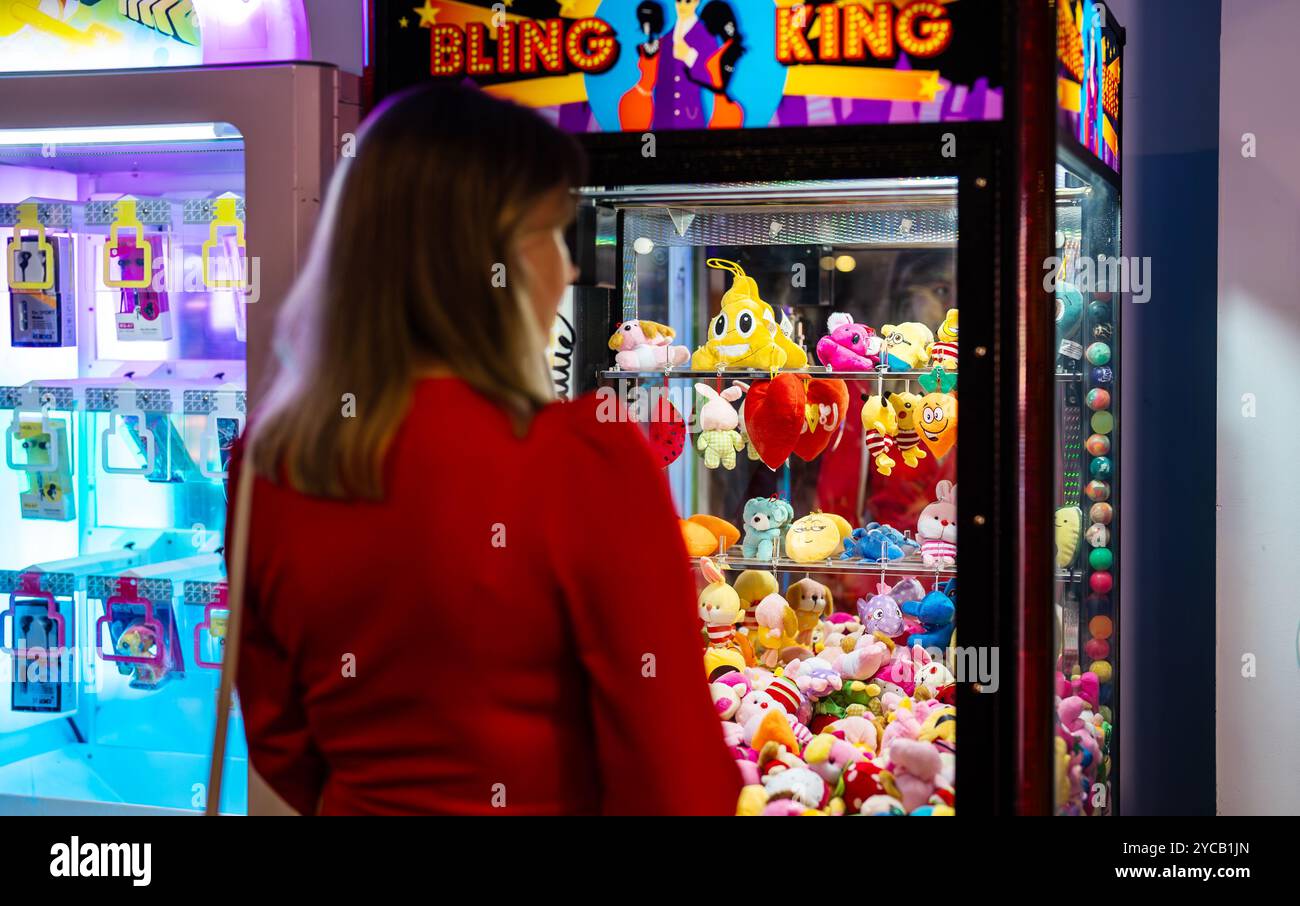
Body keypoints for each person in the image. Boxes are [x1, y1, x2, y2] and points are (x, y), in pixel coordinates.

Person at [225, 84, 741, 815]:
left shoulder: (269, 462)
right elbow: (675, 774)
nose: (565, 271)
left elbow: (279, 737)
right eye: (550, 237)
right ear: (484, 260)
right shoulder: (584, 459)